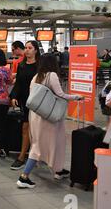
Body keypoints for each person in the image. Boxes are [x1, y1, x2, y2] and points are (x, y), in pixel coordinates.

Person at [16, 54, 83, 188]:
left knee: (41, 143)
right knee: (47, 144)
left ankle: (58, 170)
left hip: (36, 116)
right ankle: (24, 177)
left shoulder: (36, 77)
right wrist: (77, 97)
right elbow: (61, 95)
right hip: (49, 117)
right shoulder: (51, 75)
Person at [9, 40, 40, 170]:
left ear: (36, 50)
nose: (27, 50)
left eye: (30, 48)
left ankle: (37, 155)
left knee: (38, 131)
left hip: (38, 102)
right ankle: (22, 156)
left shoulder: (40, 66)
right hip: (26, 101)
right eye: (26, 48)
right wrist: (14, 96)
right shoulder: (22, 65)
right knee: (25, 128)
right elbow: (19, 84)